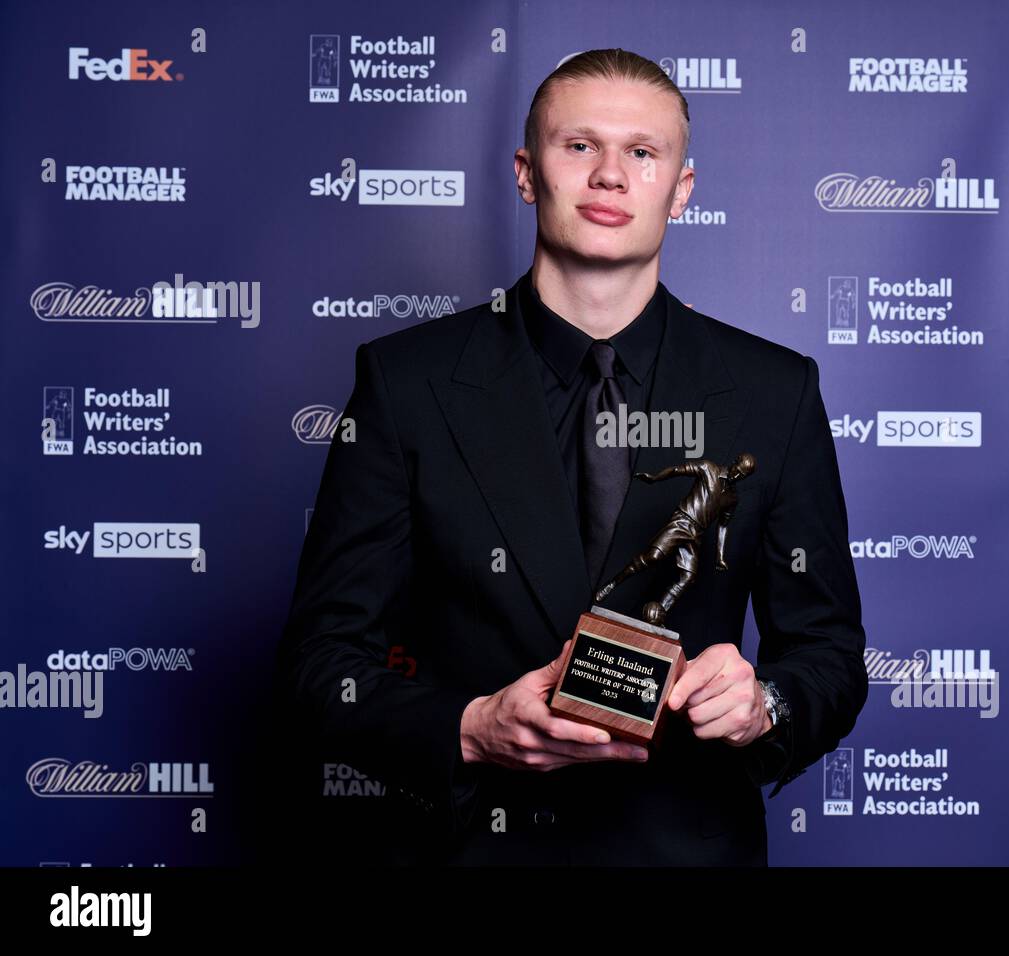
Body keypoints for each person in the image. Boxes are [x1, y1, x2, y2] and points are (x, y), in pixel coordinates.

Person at [275, 48, 867, 866]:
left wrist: (766, 701)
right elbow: (320, 665)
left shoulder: (775, 392)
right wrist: (471, 729)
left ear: (681, 190)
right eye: (579, 146)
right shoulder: (405, 383)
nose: (611, 176)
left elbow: (830, 657)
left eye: (643, 152)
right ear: (527, 173)